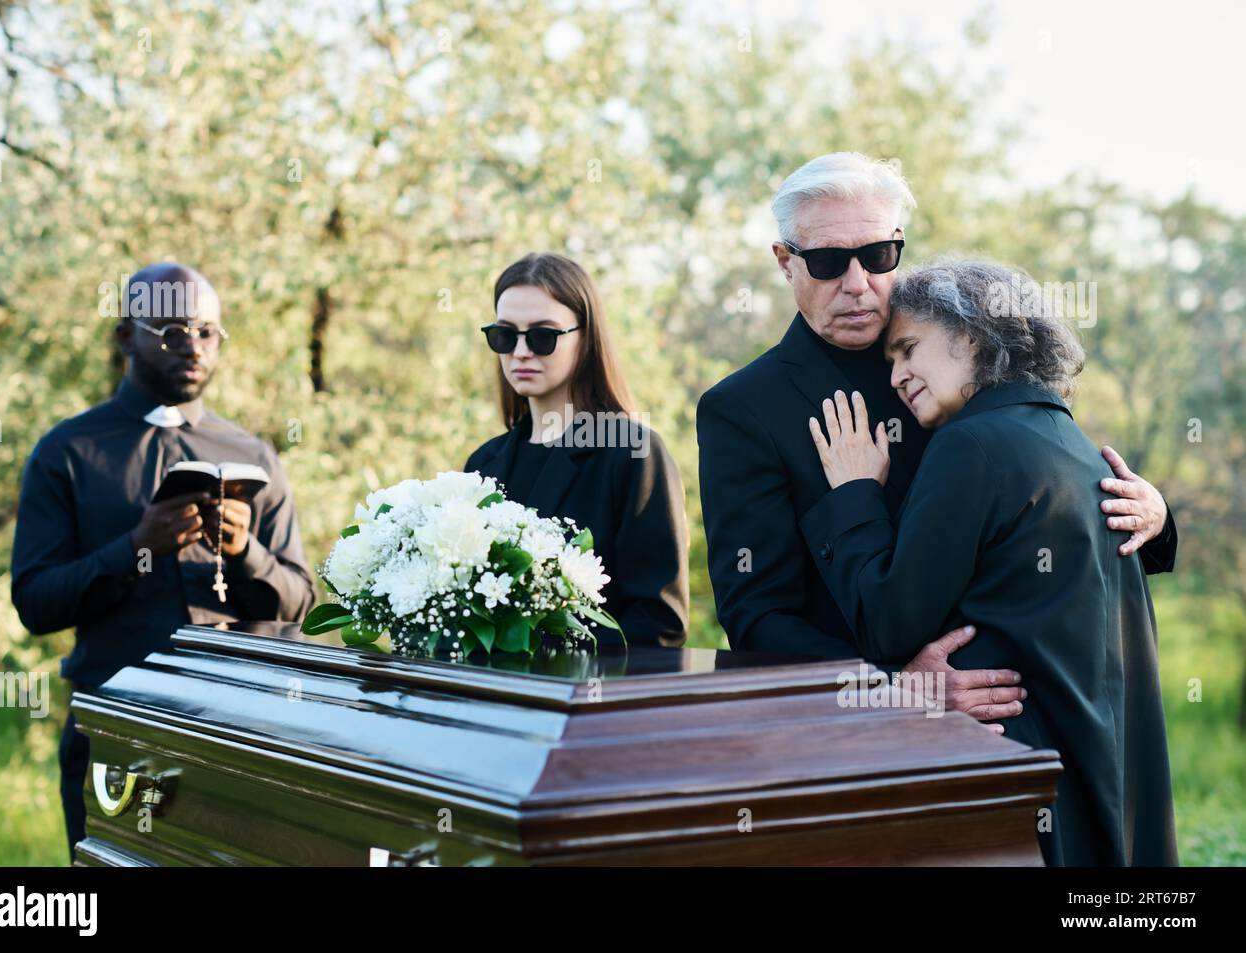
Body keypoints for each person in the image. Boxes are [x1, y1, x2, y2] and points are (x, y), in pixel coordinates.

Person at [696, 151, 1178, 729]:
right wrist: (890, 687)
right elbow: (757, 616)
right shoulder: (742, 409)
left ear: (898, 245)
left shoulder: (959, 351)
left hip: (1029, 724)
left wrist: (1150, 514)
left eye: (877, 256)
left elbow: (1042, 488)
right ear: (785, 261)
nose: (858, 284)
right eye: (828, 261)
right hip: (854, 739)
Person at [804, 259, 1178, 866]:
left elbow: (891, 625)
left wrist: (853, 496)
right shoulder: (1073, 444)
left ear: (972, 335)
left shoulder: (969, 445)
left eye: (908, 349)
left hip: (1018, 781)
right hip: (1106, 787)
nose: (897, 375)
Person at [11, 262, 315, 862]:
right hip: (116, 732)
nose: (194, 346)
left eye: (208, 332)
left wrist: (245, 553)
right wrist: (135, 549)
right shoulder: (67, 451)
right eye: (173, 331)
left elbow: (300, 601)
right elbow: (36, 603)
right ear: (126, 336)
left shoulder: (252, 455)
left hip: (239, 735)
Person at [465, 252, 689, 646]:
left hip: (590, 701)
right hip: (491, 702)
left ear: (586, 339)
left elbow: (659, 623)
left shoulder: (632, 452)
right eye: (504, 335)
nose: (520, 352)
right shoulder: (483, 463)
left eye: (543, 336)